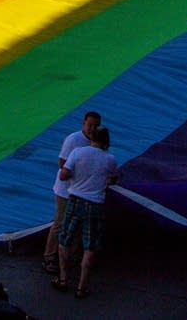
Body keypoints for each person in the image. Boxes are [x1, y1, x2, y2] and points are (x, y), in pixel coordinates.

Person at [52, 126, 120, 300]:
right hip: (95, 205)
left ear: (92, 138)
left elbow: (63, 175)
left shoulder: (77, 153)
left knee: (64, 240)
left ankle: (63, 279)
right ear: (106, 141)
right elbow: (113, 179)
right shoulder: (110, 159)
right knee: (90, 246)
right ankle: (82, 287)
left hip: (75, 201)